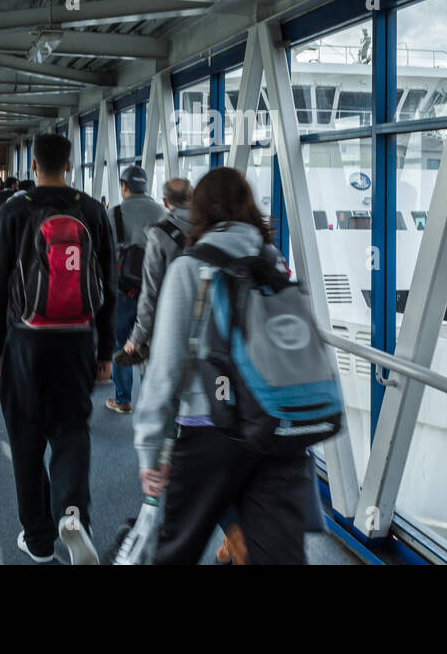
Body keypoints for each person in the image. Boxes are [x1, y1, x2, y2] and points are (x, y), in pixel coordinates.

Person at [132, 167, 309, 564]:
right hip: (276, 429)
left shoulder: (190, 267)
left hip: (208, 430)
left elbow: (165, 373)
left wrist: (149, 450)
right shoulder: (274, 261)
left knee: (175, 550)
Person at [0, 133, 116, 564]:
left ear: (35, 166)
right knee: (71, 430)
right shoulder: (93, 210)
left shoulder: (14, 210)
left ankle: (39, 540)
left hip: (24, 340)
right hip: (78, 341)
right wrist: (105, 352)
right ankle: (73, 514)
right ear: (70, 164)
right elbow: (109, 289)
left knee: (25, 439)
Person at [104, 165, 165, 415]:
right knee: (152, 345)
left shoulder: (114, 213)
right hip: (155, 290)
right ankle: (152, 402)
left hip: (122, 289)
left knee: (121, 343)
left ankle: (122, 399)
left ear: (124, 186)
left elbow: (103, 253)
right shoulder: (161, 212)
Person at [119, 177, 192, 367]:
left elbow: (151, 291)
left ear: (166, 202)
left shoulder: (159, 234)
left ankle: (124, 397)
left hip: (169, 322)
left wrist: (137, 337)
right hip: (206, 325)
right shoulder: (209, 229)